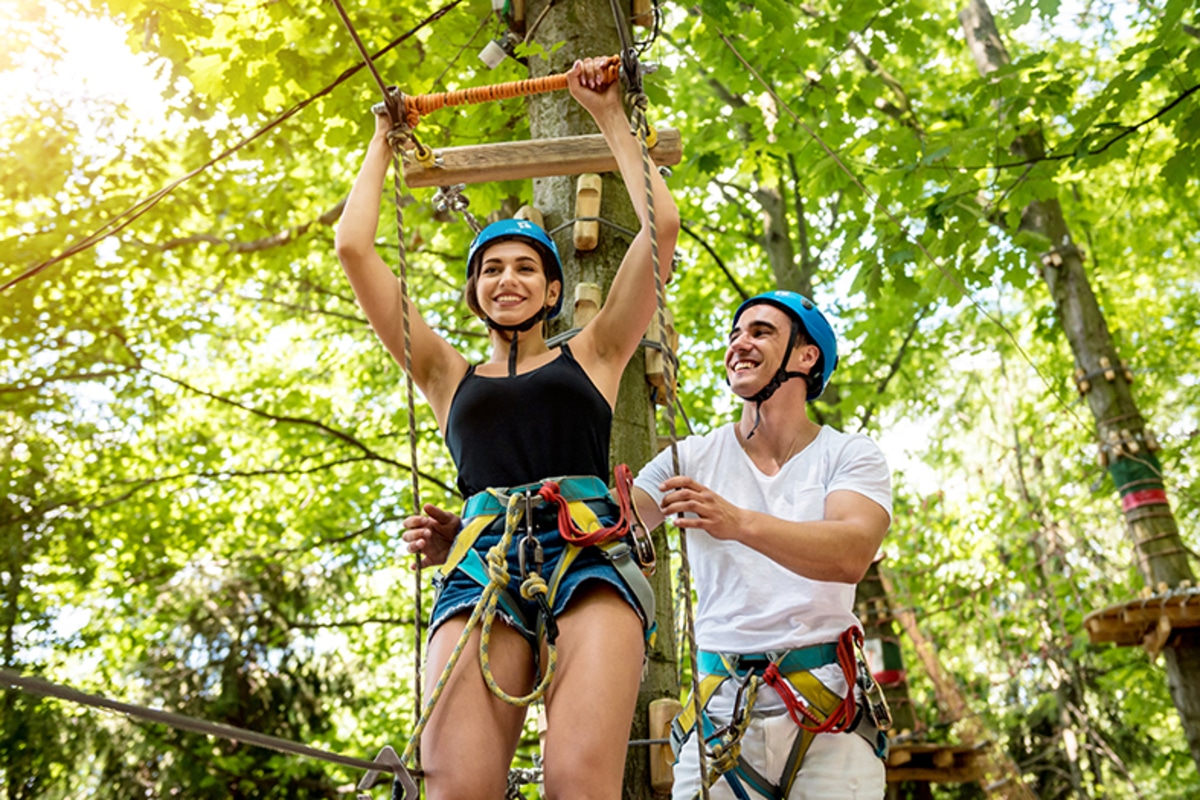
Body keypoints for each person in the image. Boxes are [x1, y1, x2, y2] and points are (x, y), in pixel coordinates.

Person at [338, 55, 679, 800]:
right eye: (491, 269)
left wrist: (609, 114)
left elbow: (662, 228)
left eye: (526, 267)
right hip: (481, 559)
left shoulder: (595, 352)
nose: (507, 279)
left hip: (589, 552)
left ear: (553, 289)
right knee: (455, 787)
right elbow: (353, 249)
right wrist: (382, 141)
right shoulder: (443, 374)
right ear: (474, 294)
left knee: (577, 786)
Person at [633, 290, 893, 800]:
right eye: (734, 335)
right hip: (720, 716)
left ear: (805, 356)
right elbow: (608, 531)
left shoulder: (848, 455)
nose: (739, 345)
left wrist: (738, 521)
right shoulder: (687, 460)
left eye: (760, 332)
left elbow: (850, 551)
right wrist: (469, 541)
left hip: (828, 717)